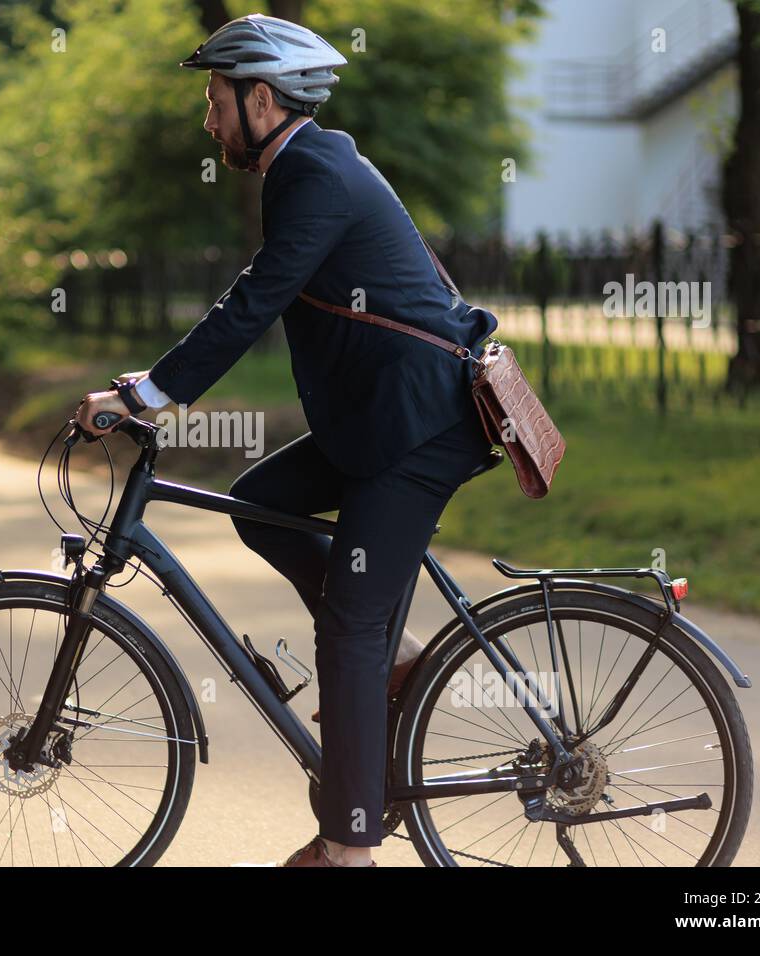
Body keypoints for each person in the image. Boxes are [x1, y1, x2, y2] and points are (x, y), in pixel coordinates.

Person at [76, 13, 497, 868]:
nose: (209, 120)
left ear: (259, 97)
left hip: (417, 430)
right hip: (381, 422)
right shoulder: (308, 165)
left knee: (347, 627)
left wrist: (147, 395)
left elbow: (254, 301)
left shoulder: (313, 170)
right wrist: (153, 393)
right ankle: (402, 662)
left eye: (215, 100)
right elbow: (263, 293)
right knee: (261, 503)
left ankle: (350, 850)